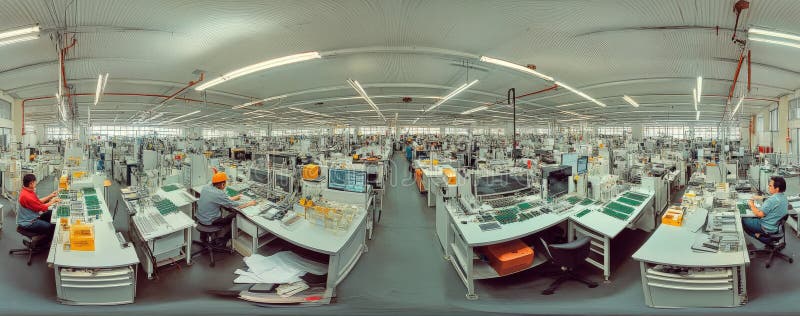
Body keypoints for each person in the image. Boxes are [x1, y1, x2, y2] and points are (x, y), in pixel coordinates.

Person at [196, 171, 257, 242]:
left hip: (200, 218)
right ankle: (223, 240)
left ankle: (206, 237)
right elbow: (237, 206)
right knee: (234, 214)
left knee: (225, 210)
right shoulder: (219, 193)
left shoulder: (205, 188)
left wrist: (235, 197)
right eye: (225, 183)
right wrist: (250, 203)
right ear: (222, 184)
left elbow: (218, 199)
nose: (225, 185)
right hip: (210, 221)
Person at [743, 176, 788, 240]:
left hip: (766, 227)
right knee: (752, 217)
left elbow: (759, 214)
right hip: (775, 226)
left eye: (770, 186)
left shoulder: (771, 200)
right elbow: (773, 201)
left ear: (777, 189)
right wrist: (761, 198)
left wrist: (751, 205)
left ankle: (762, 237)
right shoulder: (784, 197)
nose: (768, 187)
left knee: (744, 219)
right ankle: (762, 235)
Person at [17, 174, 61, 240]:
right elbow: (42, 208)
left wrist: (50, 196)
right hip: (29, 222)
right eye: (35, 182)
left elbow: (38, 201)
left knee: (50, 213)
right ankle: (42, 244)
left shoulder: (27, 191)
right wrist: (52, 201)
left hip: (32, 217)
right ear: (31, 183)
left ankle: (42, 237)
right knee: (51, 227)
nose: (36, 183)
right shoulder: (26, 196)